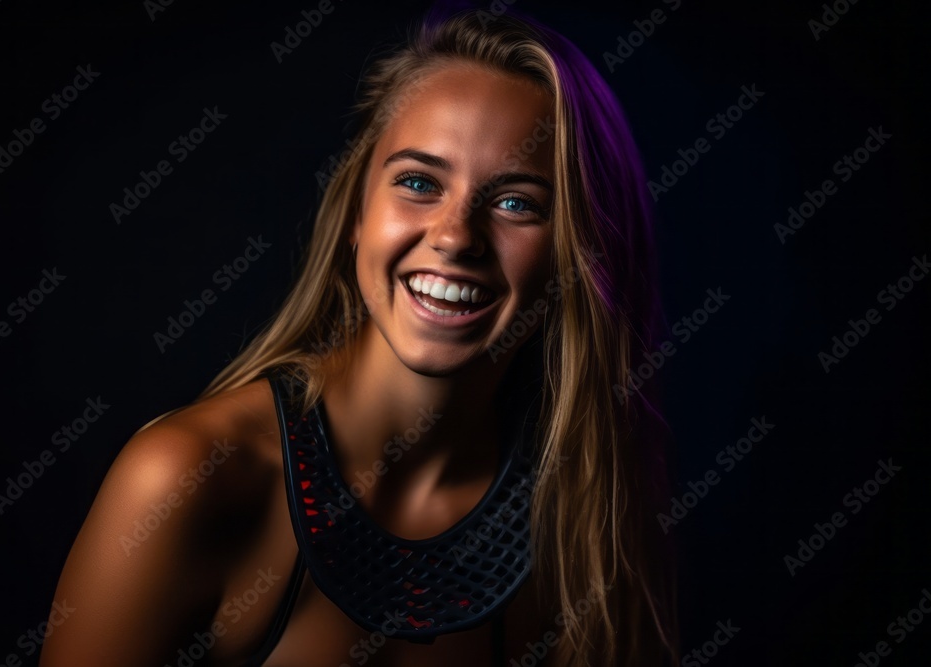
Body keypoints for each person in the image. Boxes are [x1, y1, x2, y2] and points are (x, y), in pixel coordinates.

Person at [40, 6, 677, 667]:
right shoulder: (188, 478)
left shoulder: (586, 519)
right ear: (355, 213)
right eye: (418, 182)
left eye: (517, 202)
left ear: (582, 254)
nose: (457, 236)